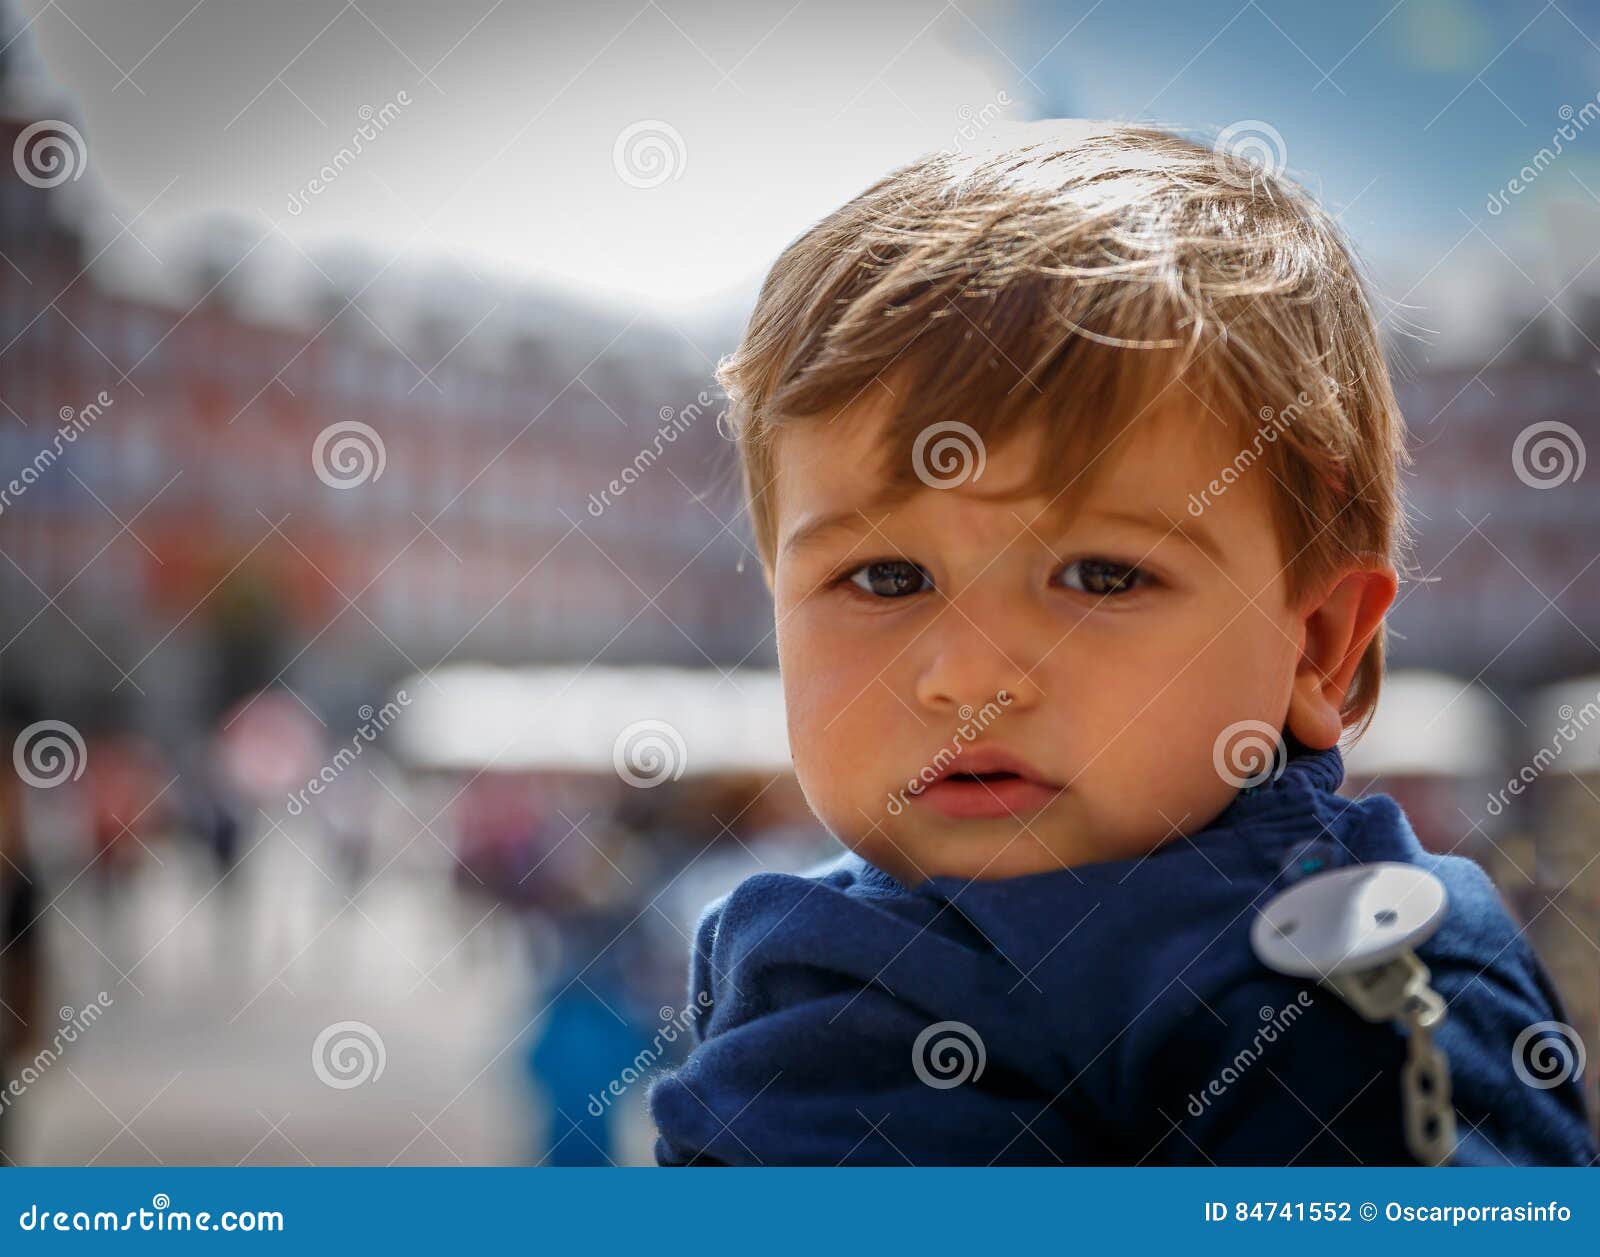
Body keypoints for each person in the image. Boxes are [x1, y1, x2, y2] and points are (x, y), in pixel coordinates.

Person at [646, 121, 1598, 1166]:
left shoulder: (1340, 991)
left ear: (1316, 644)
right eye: (884, 578)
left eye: (1101, 577)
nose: (967, 678)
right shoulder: (806, 936)